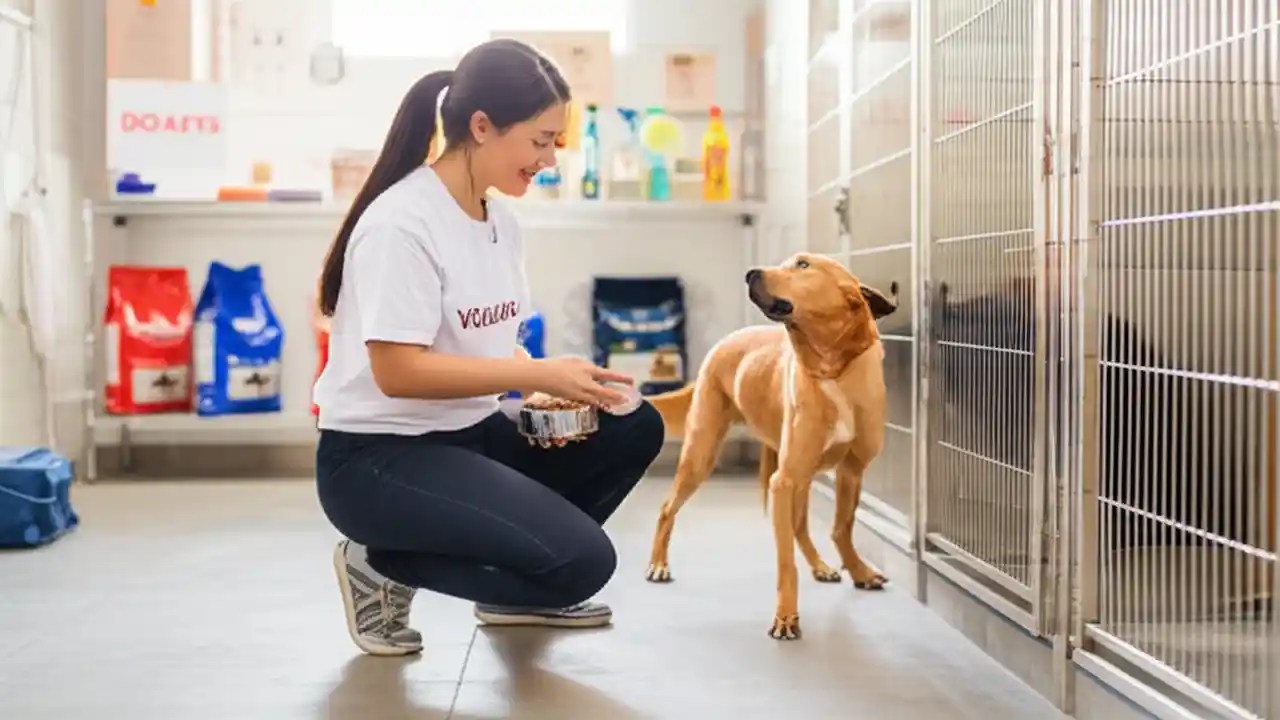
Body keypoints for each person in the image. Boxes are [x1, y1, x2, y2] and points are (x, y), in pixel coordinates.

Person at [312, 39, 665, 657]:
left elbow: (489, 346)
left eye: (555, 142)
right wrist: (539, 375)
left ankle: (512, 587)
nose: (550, 158)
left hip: (467, 434)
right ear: (481, 127)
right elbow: (397, 372)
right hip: (377, 460)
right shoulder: (404, 225)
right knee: (582, 566)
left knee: (635, 425)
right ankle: (378, 563)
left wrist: (547, 382)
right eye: (539, 140)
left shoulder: (499, 221)